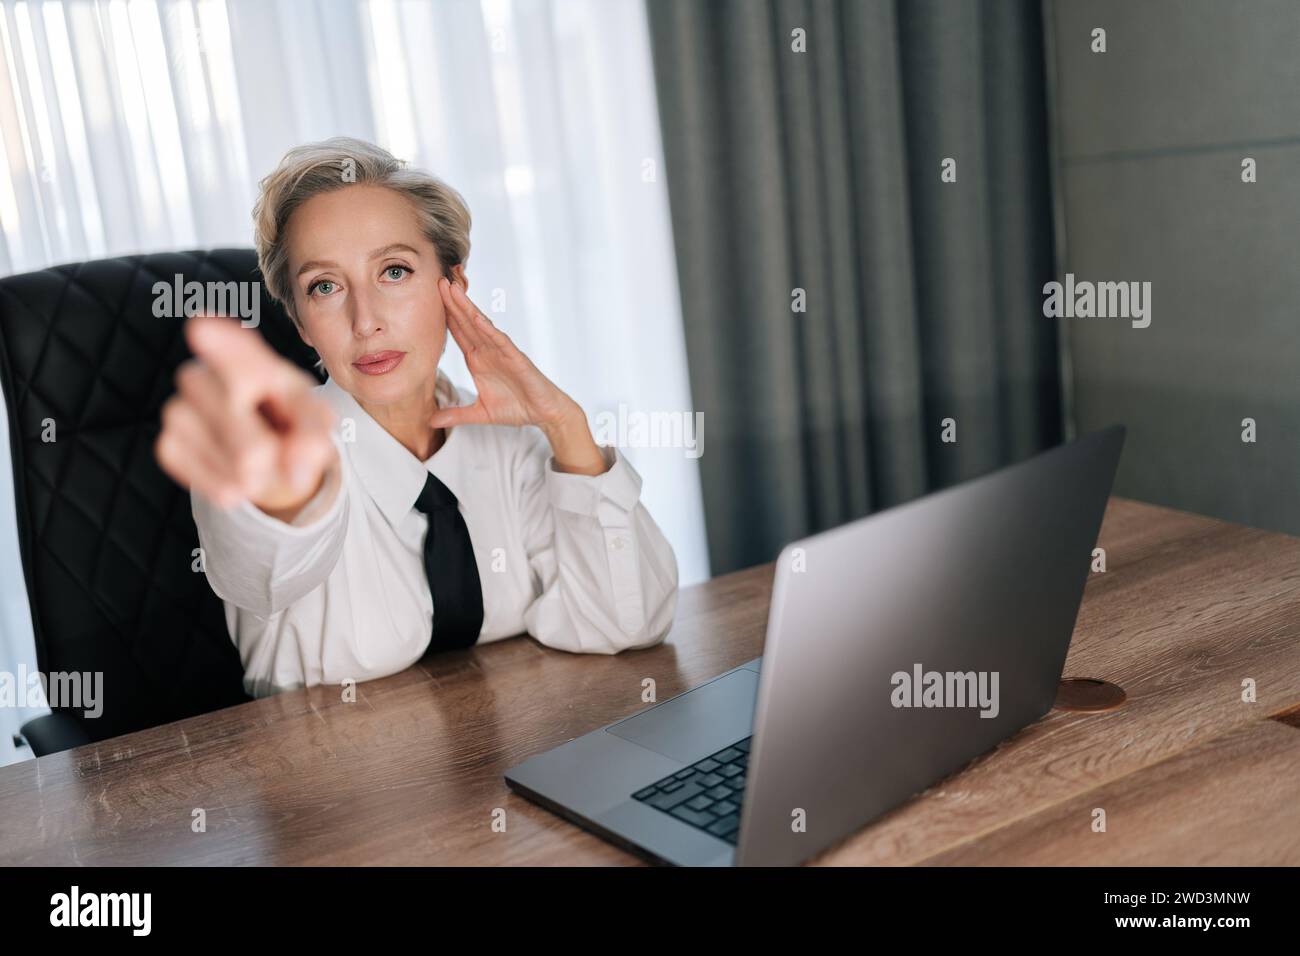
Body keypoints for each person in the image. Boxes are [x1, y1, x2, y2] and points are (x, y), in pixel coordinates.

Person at [154, 137, 678, 698]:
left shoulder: (514, 444)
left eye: (394, 271)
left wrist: (566, 428)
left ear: (452, 285)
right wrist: (287, 496)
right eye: (325, 286)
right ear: (302, 323)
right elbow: (264, 564)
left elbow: (630, 624)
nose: (365, 320)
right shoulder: (267, 450)